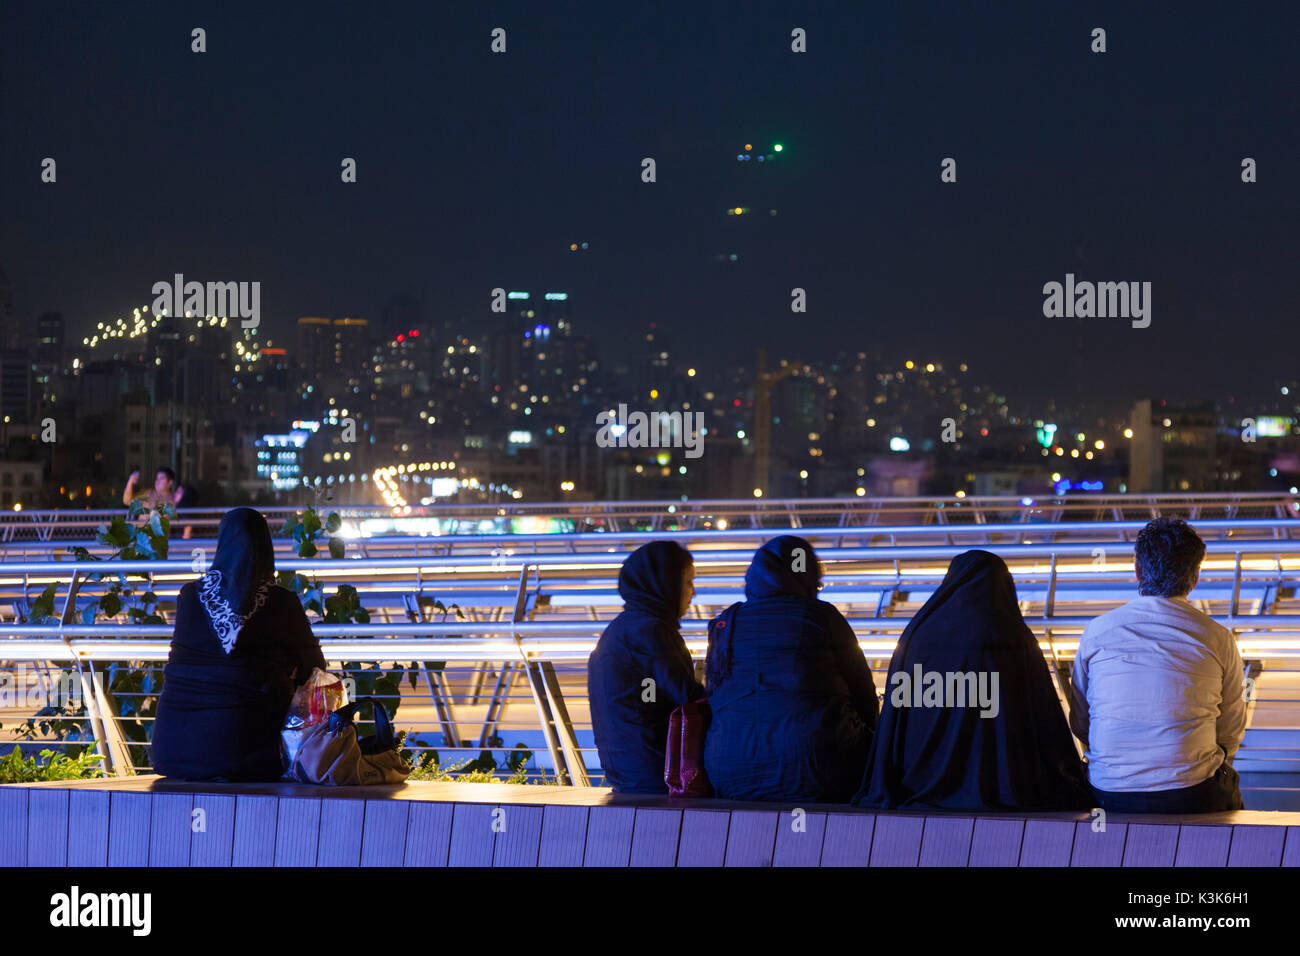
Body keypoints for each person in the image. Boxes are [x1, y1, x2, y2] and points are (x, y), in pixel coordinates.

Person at [854, 549, 1091, 811]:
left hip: (917, 787)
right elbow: (1045, 722)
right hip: (1005, 789)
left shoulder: (916, 636)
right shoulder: (1014, 638)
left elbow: (897, 716)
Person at [1070, 517, 1247, 812]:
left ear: (1137, 570)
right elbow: (1230, 729)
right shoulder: (1218, 637)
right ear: (1195, 577)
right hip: (1193, 792)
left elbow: (1081, 720)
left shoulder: (1097, 631)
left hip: (1108, 791)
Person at [151, 507, 326, 781]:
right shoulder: (281, 601)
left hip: (172, 753)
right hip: (249, 758)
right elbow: (314, 670)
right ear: (266, 549)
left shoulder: (189, 596)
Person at [704, 535, 878, 802]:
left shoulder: (726, 623)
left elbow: (714, 694)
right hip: (815, 766)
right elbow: (864, 695)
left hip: (728, 769)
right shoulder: (824, 617)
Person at [588, 540, 704, 793]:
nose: (693, 593)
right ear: (667, 584)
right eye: (688, 582)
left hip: (630, 772)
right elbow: (687, 698)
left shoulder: (624, 628)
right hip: (655, 775)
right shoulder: (648, 631)